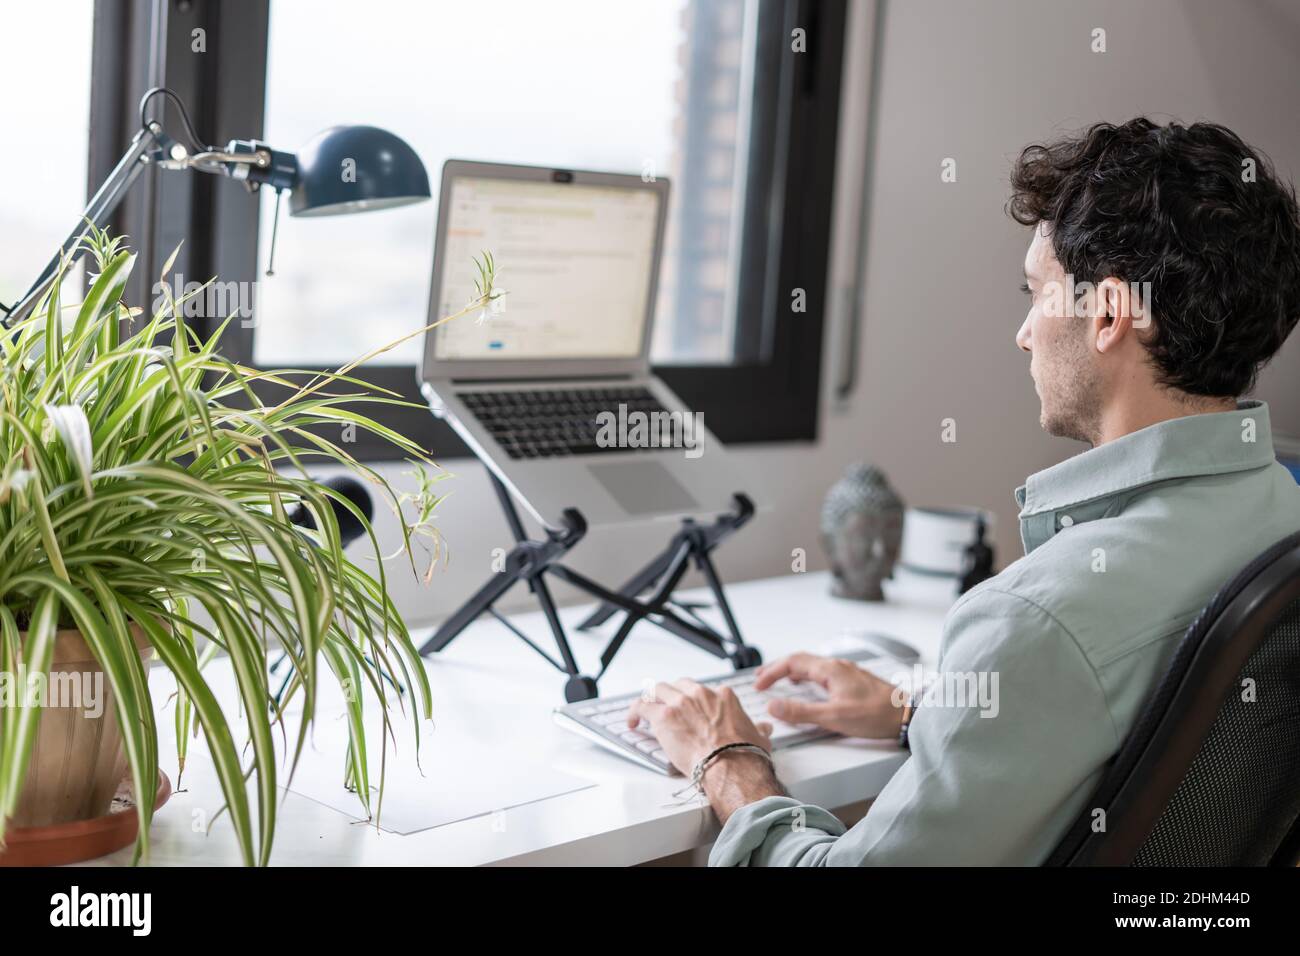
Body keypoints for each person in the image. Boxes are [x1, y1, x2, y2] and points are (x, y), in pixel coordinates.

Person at [627, 118, 1300, 865]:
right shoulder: (1279, 509)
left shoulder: (1037, 618)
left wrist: (730, 764)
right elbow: (1144, 730)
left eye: (1037, 292)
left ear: (1110, 313)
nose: (1023, 332)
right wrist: (925, 710)